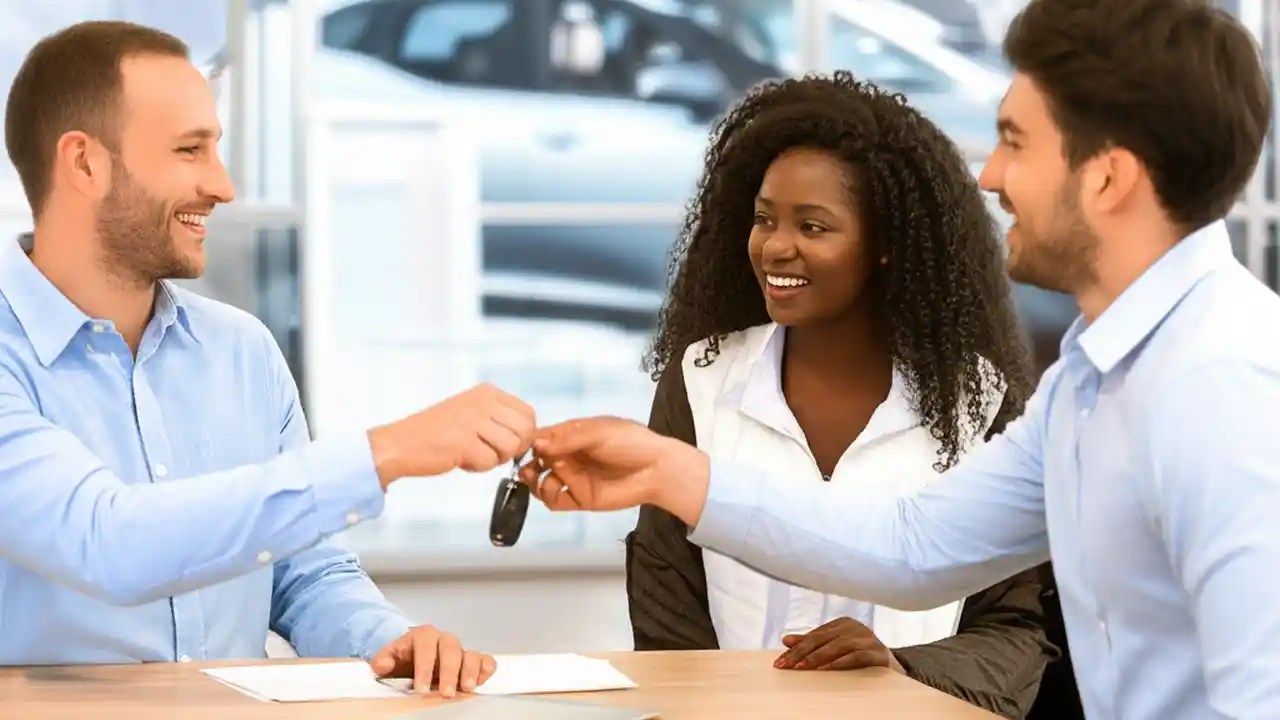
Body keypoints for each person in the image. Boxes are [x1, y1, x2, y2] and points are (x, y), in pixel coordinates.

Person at [523, 1, 1277, 718]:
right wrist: (666, 471)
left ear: (1108, 177)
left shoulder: (1225, 386)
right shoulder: (1092, 380)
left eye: (1015, 141)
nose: (989, 178)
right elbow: (914, 545)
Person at [0, 21, 534, 697]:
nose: (223, 186)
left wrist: (385, 641)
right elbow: (109, 542)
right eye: (190, 151)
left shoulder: (241, 351)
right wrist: (387, 452)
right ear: (84, 163)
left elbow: (303, 574)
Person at [625, 72, 1057, 718]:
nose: (776, 245)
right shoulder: (701, 378)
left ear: (885, 245)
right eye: (764, 219)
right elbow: (666, 604)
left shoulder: (981, 403)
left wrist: (900, 671)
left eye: (814, 226)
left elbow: (1015, 633)